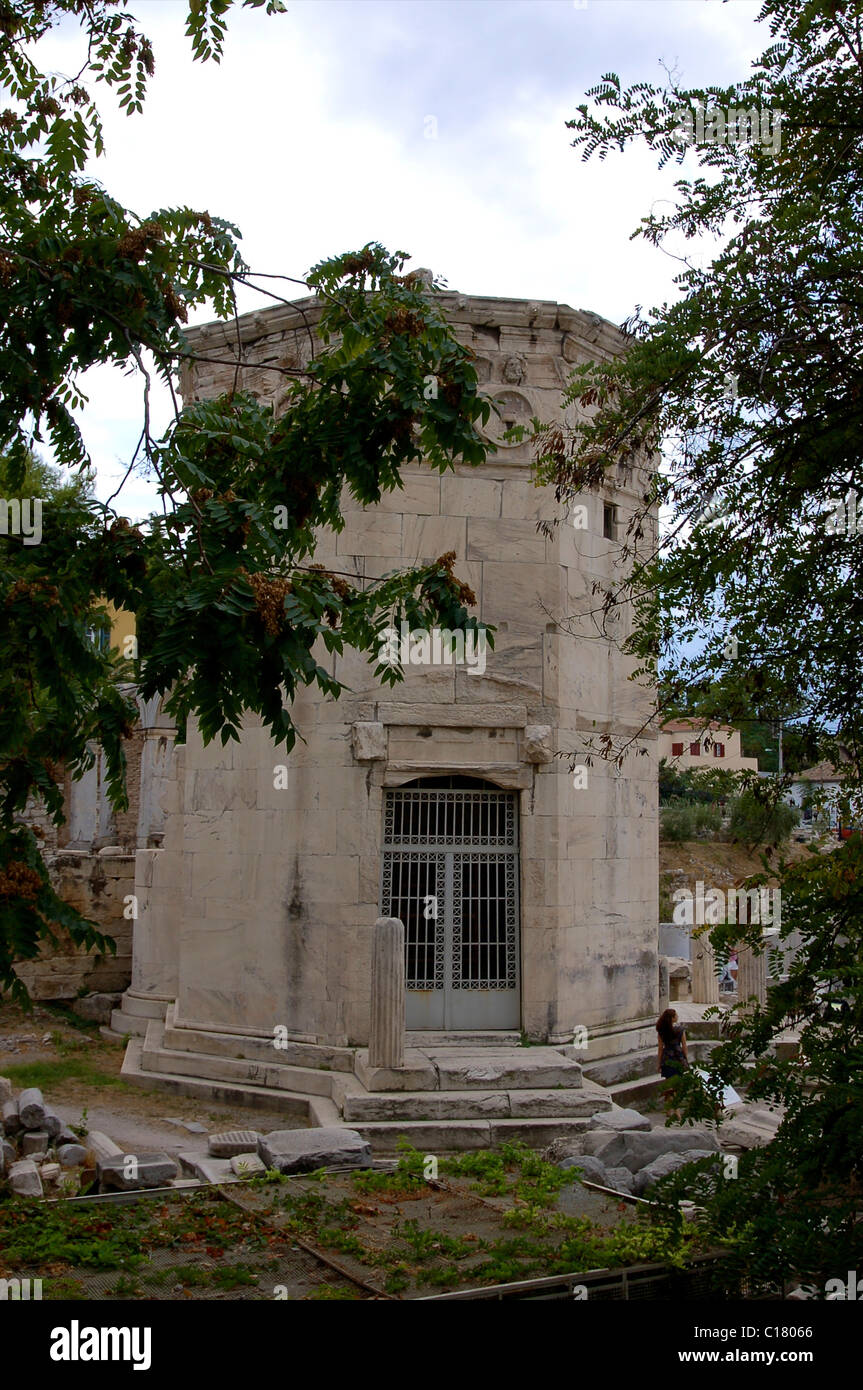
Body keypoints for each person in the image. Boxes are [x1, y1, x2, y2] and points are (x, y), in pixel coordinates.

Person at [656, 1007, 688, 1078]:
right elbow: (684, 1046)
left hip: (667, 1057)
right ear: (672, 1018)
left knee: (669, 1081)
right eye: (676, 1015)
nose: (677, 1016)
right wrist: (685, 1059)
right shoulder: (680, 1030)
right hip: (678, 1056)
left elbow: (660, 1048)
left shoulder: (661, 1031)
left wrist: (659, 1063)